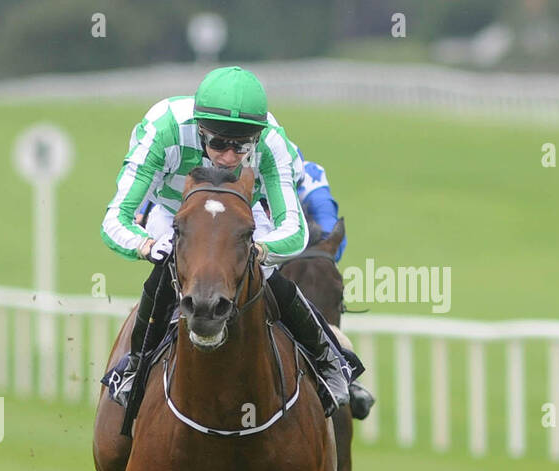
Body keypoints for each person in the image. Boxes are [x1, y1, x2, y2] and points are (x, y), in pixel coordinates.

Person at [102, 66, 372, 419]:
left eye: (241, 146)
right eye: (217, 143)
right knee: (168, 266)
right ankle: (135, 366)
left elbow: (294, 230)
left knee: (271, 275)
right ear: (199, 129)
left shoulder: (273, 143)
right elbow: (115, 220)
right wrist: (148, 246)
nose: (229, 158)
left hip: (242, 211)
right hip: (174, 211)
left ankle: (330, 363)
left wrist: (258, 251)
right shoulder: (162, 130)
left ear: (256, 137)